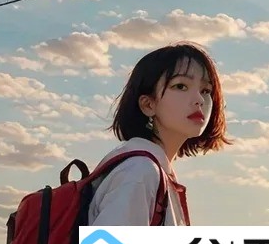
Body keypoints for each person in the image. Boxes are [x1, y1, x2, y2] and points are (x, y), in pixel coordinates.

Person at [87, 41, 229, 226]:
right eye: (180, 86)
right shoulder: (139, 171)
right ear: (148, 104)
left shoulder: (151, 170)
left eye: (206, 90)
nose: (199, 99)